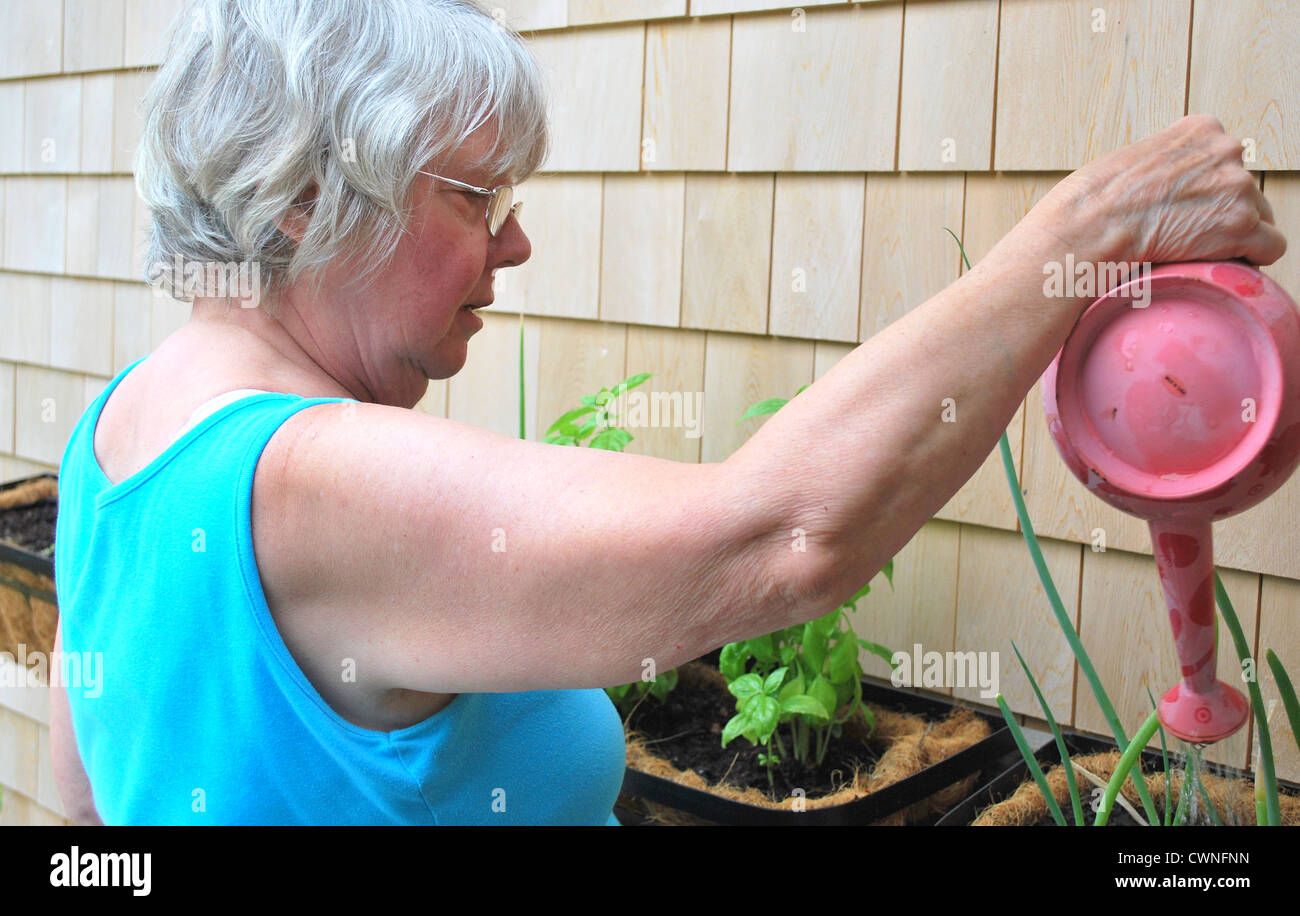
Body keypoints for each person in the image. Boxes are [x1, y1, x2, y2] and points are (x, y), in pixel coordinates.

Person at [49, 0, 1286, 825]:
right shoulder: (306, 482)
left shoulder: (116, 434)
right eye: (480, 198)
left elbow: (87, 816)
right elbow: (781, 537)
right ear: (308, 203)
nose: (517, 241)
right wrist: (1083, 236)